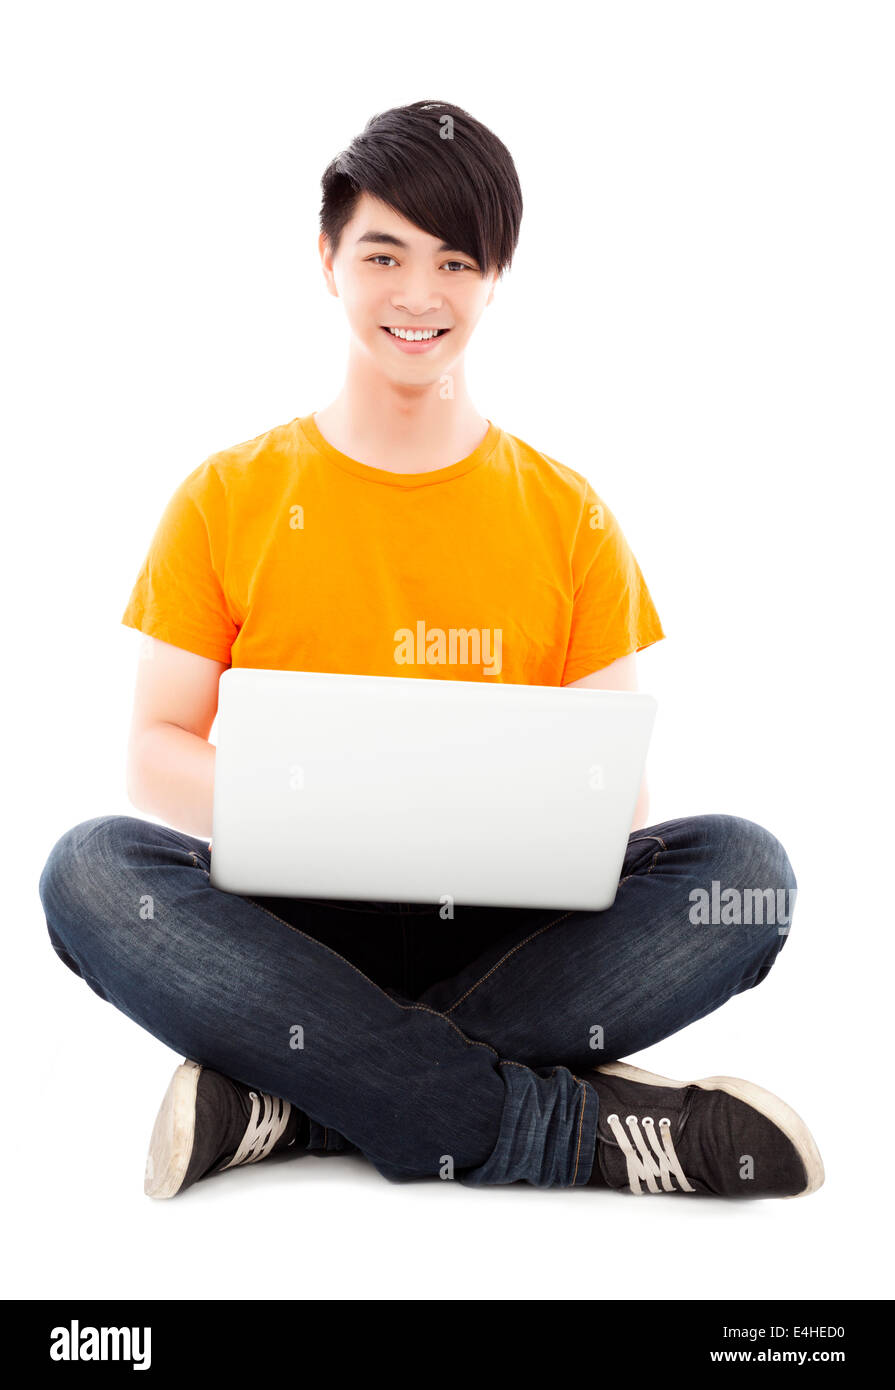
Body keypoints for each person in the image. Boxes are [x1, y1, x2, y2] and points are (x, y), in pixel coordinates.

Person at [38, 99, 823, 1201]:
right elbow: (155, 750)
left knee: (744, 872)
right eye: (383, 253)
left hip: (510, 943)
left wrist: (479, 831)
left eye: (455, 260)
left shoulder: (569, 515)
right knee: (89, 870)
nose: (418, 294)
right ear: (326, 260)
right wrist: (332, 816)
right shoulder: (228, 496)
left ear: (495, 277)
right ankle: (569, 1131)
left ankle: (296, 1102)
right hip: (286, 935)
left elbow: (617, 803)